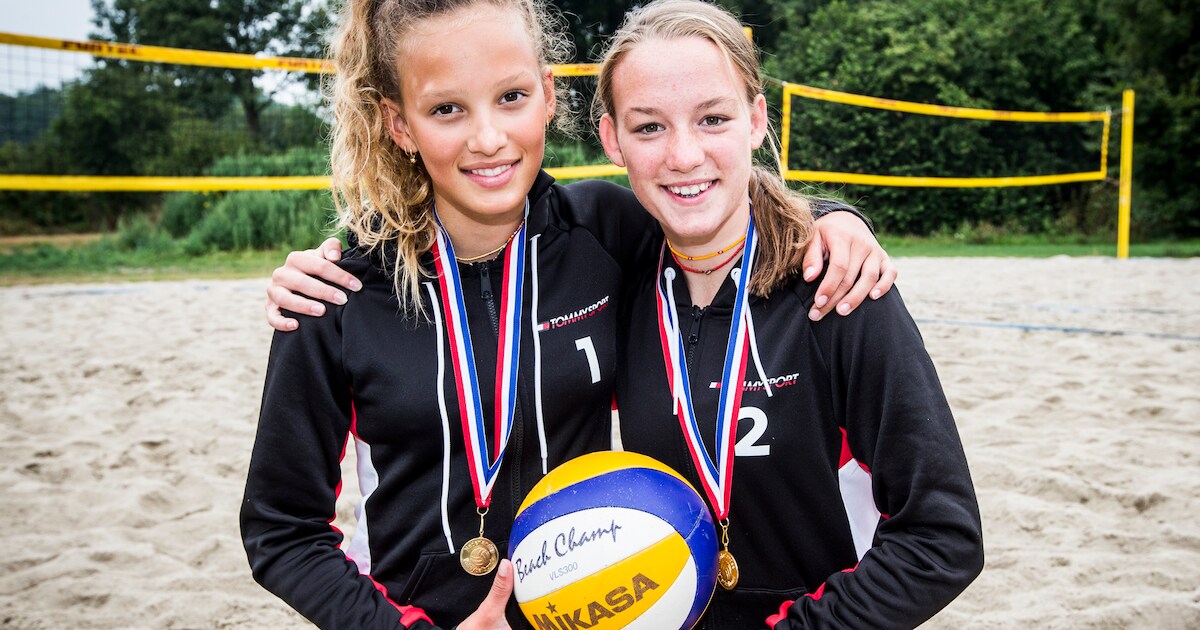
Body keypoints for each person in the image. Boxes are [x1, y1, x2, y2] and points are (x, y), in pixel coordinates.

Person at [240, 0, 895, 629]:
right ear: (399, 122)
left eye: (511, 97)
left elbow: (708, 194)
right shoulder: (335, 296)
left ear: (549, 96)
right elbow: (282, 530)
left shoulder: (606, 233)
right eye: (446, 109)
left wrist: (835, 222)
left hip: (589, 610)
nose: (488, 138)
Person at [594, 1, 984, 628]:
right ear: (613, 140)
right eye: (649, 128)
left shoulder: (841, 291)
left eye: (713, 118)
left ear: (755, 120)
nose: (684, 155)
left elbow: (942, 537)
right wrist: (370, 255)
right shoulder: (614, 288)